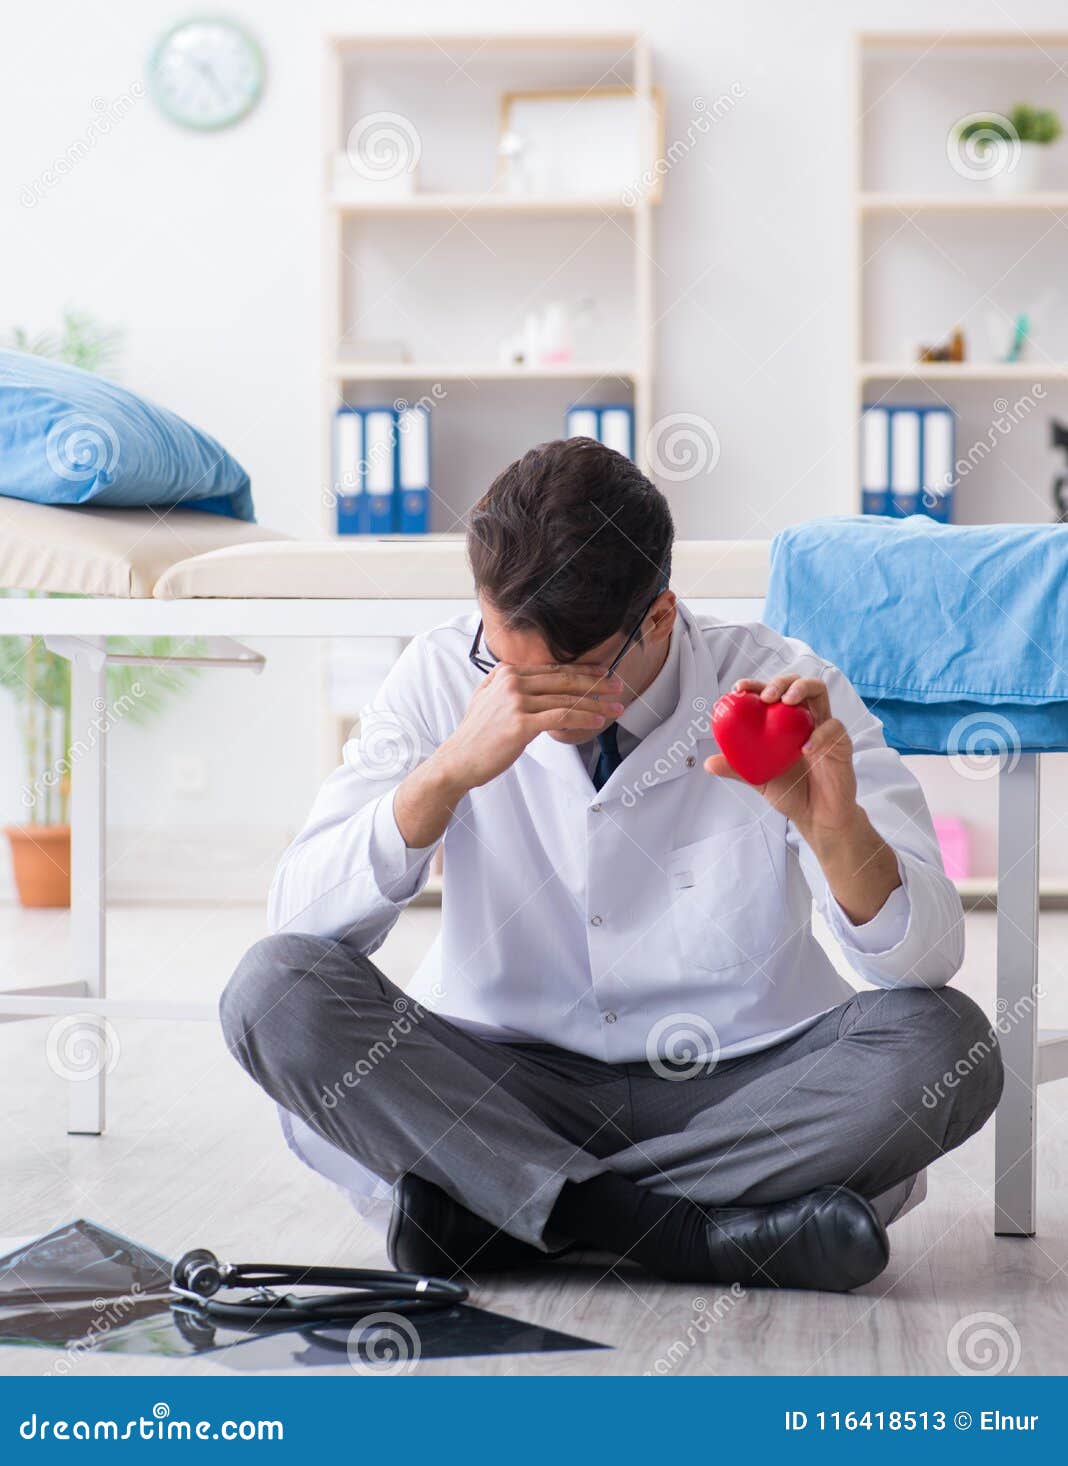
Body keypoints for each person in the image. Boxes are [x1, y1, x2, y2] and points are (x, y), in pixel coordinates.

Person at [221, 438, 1002, 1292]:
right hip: (499, 1082)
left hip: (737, 1088)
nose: (527, 699)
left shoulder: (783, 686)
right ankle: (686, 1235)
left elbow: (926, 963)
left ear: (658, 618)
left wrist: (833, 826)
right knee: (274, 994)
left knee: (947, 1045)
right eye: (502, 663)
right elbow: (298, 926)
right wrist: (444, 775)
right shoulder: (439, 673)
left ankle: (516, 1213)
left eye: (568, 676)